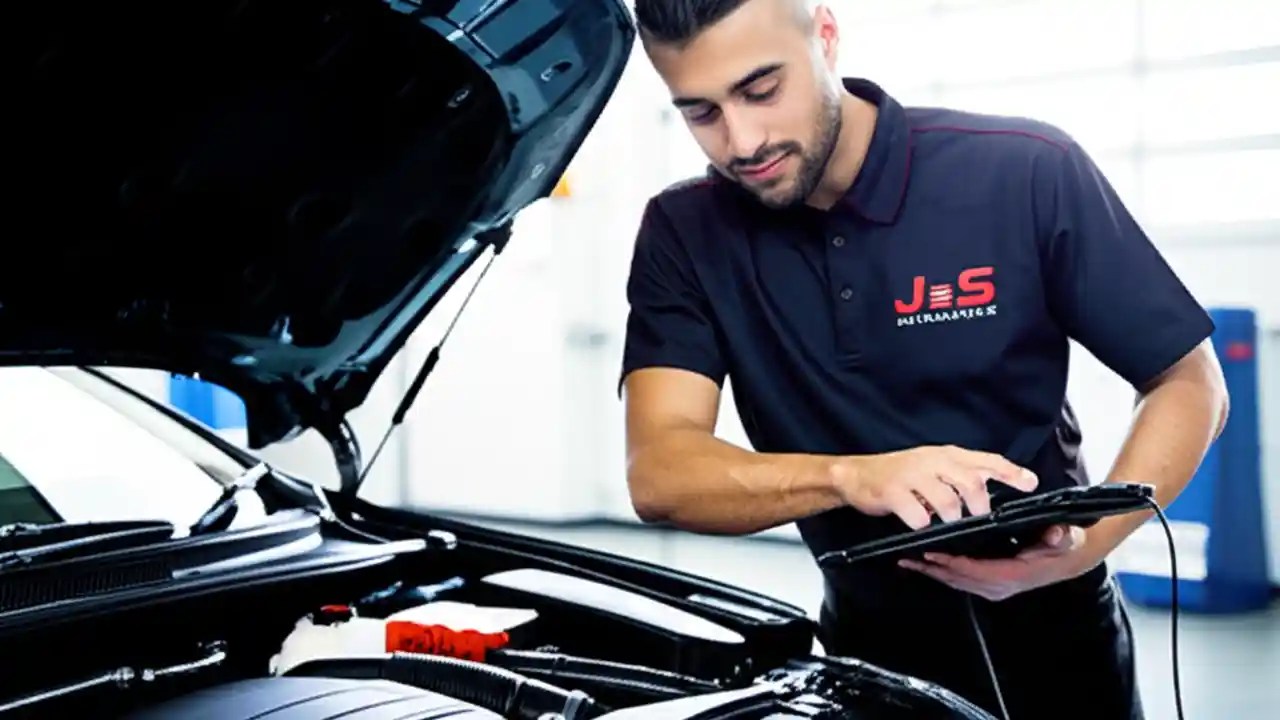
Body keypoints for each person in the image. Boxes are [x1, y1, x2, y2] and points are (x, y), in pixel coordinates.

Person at [617, 1, 1231, 718]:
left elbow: (1189, 382)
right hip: (860, 650)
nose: (742, 140)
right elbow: (661, 471)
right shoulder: (684, 231)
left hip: (1059, 632)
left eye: (761, 90)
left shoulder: (1026, 170)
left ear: (825, 34)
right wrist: (854, 478)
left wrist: (1090, 546)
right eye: (701, 113)